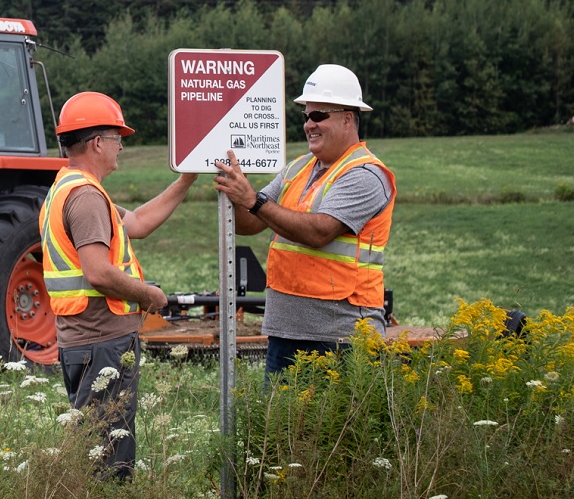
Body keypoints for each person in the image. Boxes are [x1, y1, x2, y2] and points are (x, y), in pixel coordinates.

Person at [40, 91, 197, 481]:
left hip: (88, 342)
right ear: (97, 142)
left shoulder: (71, 187)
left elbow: (139, 223)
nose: (121, 145)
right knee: (109, 460)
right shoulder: (86, 197)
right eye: (116, 137)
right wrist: (149, 296)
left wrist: (187, 179)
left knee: (97, 443)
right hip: (102, 344)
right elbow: (98, 272)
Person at [212, 63, 396, 376]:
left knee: (337, 427)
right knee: (281, 426)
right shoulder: (297, 169)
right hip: (285, 332)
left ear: (348, 118)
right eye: (305, 116)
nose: (309, 124)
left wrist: (252, 199)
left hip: (342, 339)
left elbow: (319, 232)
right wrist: (230, 186)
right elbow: (248, 224)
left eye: (318, 115)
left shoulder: (366, 174)